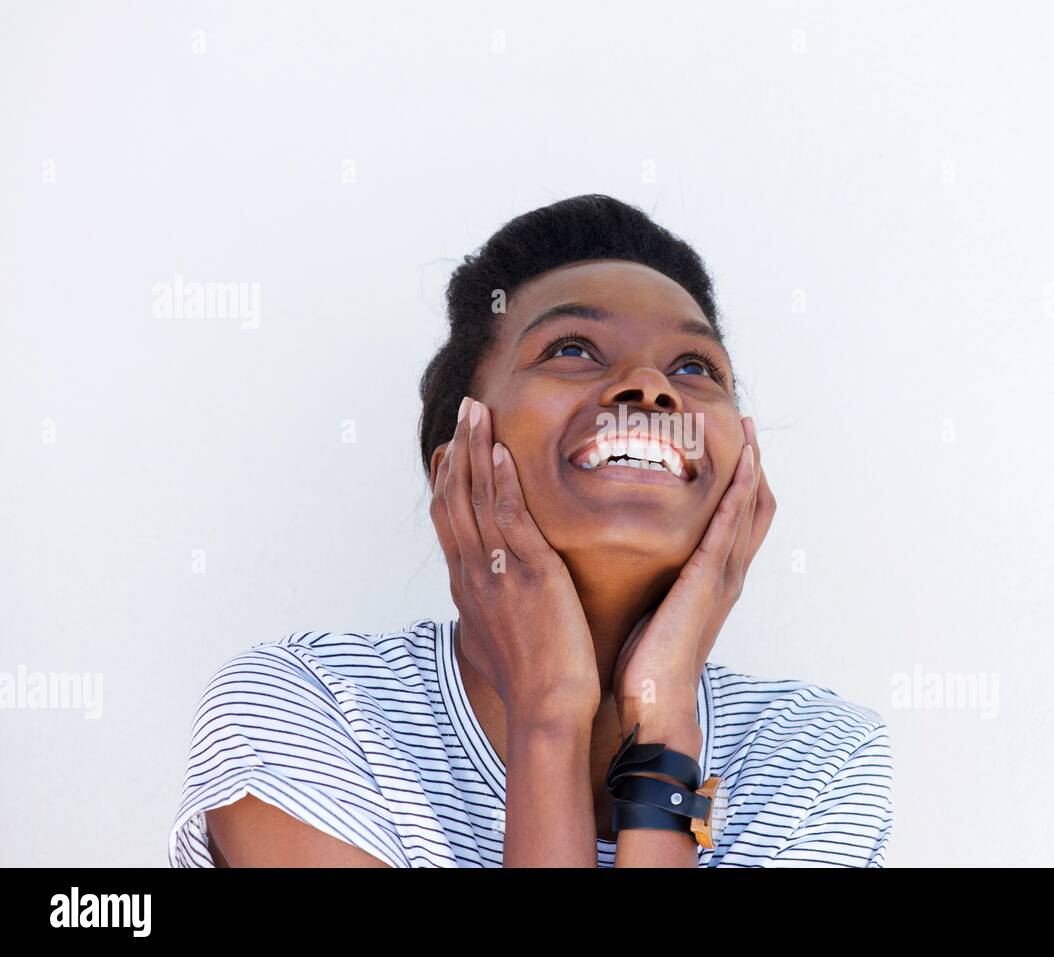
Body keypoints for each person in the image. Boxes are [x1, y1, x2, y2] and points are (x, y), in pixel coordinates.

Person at [168, 194, 892, 867]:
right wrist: (549, 713)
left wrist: (664, 723)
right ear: (460, 465)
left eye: (695, 365)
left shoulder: (816, 757)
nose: (651, 386)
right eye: (572, 349)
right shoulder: (311, 713)